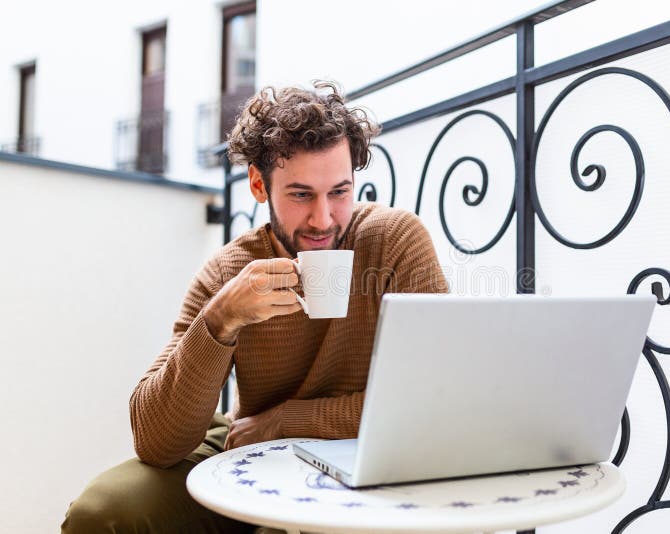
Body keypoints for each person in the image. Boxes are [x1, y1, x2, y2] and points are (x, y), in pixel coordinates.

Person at [61, 81, 448, 533]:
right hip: (250, 448)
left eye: (339, 192)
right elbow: (155, 442)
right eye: (301, 194)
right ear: (259, 185)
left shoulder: (394, 242)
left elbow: (433, 402)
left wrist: (283, 421)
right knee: (103, 511)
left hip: (361, 450)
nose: (323, 219)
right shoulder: (229, 271)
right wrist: (220, 321)